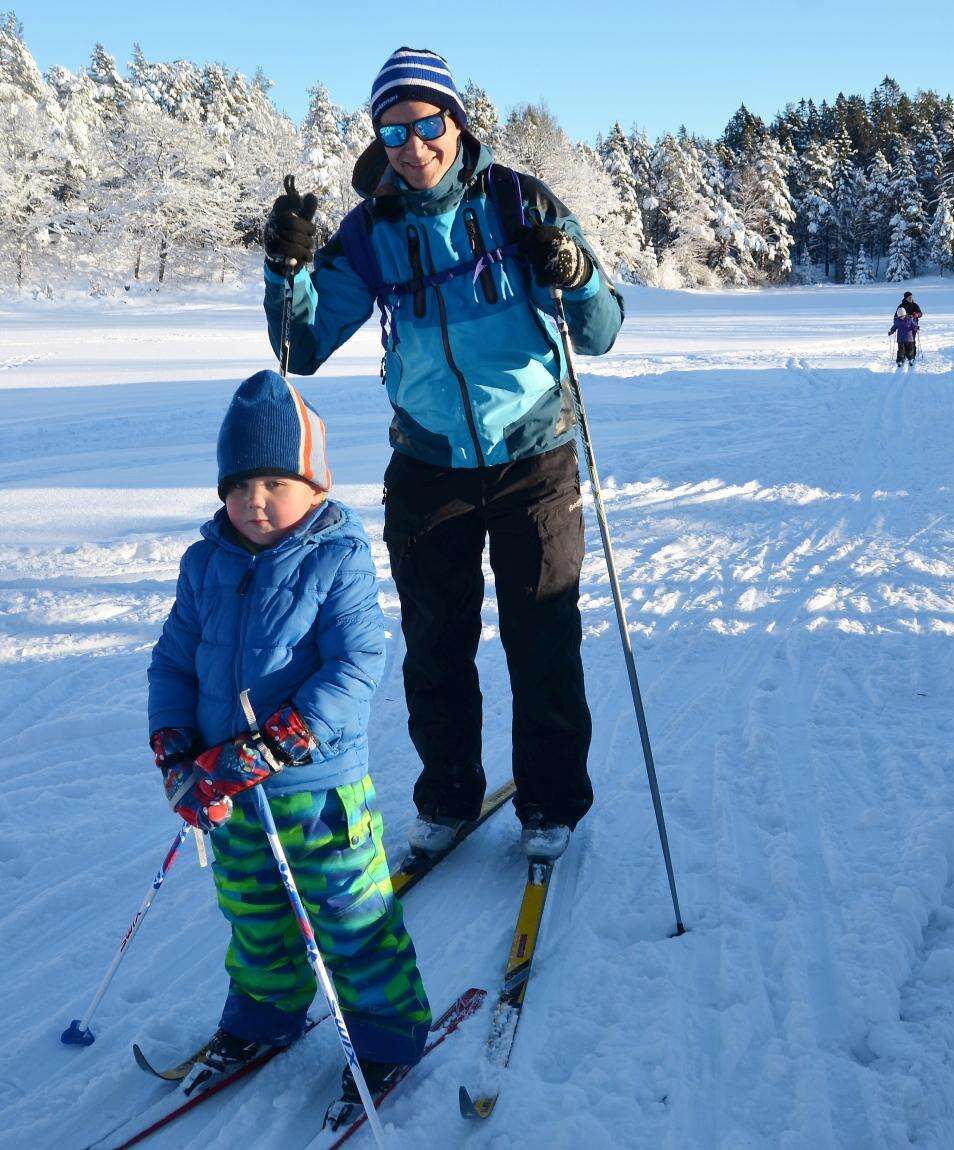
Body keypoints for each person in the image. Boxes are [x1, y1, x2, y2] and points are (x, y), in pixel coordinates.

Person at [261, 47, 626, 863]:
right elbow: (302, 344)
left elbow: (599, 331)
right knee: (435, 643)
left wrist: (574, 271)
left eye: (427, 123)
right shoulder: (369, 233)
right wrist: (286, 268)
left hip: (534, 452)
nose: (412, 144)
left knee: (542, 636)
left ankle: (551, 803)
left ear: (457, 124)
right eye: (393, 129)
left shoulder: (517, 203)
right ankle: (450, 797)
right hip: (429, 461)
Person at [148, 369, 432, 1106]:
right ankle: (266, 1016)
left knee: (349, 913)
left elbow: (357, 663)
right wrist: (174, 745)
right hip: (226, 791)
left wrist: (280, 742)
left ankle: (387, 1034)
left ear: (315, 485)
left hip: (318, 792)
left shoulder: (335, 557)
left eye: (276, 482)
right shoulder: (204, 563)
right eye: (240, 486)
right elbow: (175, 659)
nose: (255, 501)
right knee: (253, 914)